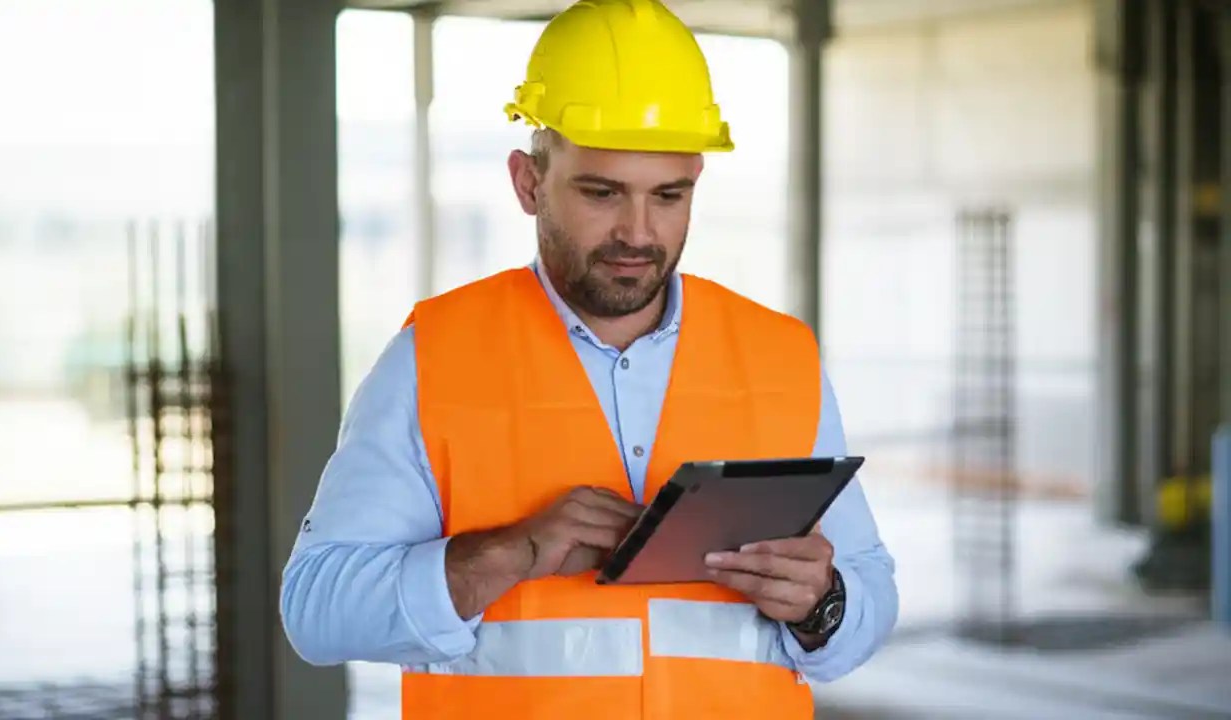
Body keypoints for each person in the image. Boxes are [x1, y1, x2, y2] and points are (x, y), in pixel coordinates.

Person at [281, 0, 897, 717]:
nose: (638, 231)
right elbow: (317, 611)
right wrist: (507, 553)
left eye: (669, 196)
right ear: (528, 183)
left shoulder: (780, 357)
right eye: (603, 193)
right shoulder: (434, 357)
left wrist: (822, 603)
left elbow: (870, 597)